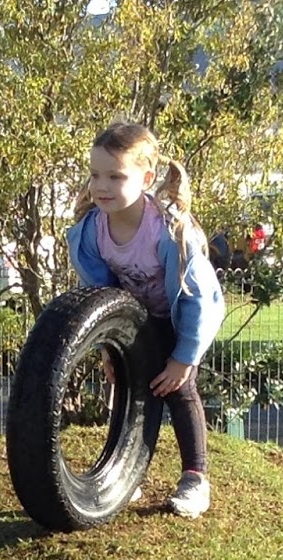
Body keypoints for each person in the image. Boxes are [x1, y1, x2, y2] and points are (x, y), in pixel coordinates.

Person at [67, 121, 226, 519]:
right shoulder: (92, 232)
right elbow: (103, 299)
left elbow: (198, 299)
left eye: (115, 176)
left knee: (178, 389)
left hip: (182, 317)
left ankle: (195, 478)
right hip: (138, 319)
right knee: (131, 388)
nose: (100, 185)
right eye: (95, 174)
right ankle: (128, 473)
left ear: (146, 178)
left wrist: (184, 358)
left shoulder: (169, 232)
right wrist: (110, 348)